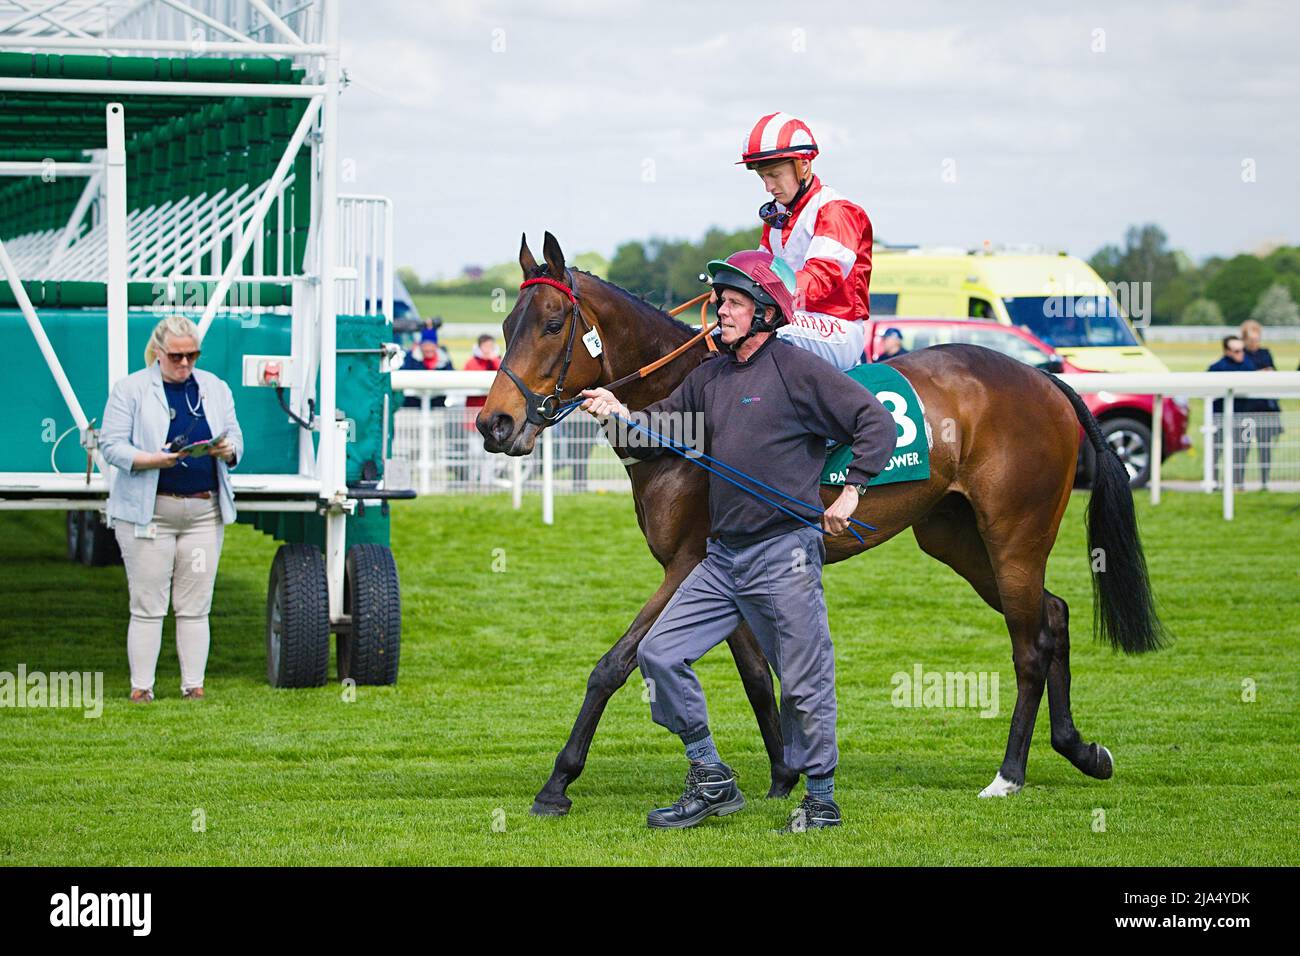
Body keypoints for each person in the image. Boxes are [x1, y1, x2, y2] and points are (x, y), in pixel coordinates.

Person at [579, 249, 896, 832]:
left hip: (785, 556)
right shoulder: (710, 376)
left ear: (767, 314)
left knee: (802, 680)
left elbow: (875, 421)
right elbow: (661, 433)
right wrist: (617, 411)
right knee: (659, 654)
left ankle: (820, 797)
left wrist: (851, 493)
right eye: (720, 300)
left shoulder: (798, 371)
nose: (719, 311)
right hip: (722, 559)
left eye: (732, 302)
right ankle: (711, 776)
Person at [98, 315, 244, 702]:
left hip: (202, 514)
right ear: (158, 352)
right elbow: (111, 445)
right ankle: (141, 688)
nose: (185, 364)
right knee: (148, 604)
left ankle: (193, 686)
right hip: (150, 515)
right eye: (177, 356)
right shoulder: (130, 388)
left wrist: (228, 450)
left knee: (195, 604)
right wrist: (150, 459)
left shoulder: (214, 387)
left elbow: (236, 438)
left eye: (192, 355)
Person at [739, 112, 874, 371]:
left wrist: (759, 294)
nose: (768, 186)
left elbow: (820, 278)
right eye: (762, 177)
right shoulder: (777, 216)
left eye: (775, 175)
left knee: (762, 327)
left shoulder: (836, 211)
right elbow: (758, 270)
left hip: (838, 330)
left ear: (803, 165)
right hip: (794, 320)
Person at [1207, 335, 1257, 490]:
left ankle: (1238, 483)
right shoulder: (1217, 368)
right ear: (1227, 351)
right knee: (1215, 452)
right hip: (1220, 417)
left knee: (1241, 452)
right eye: (1236, 351)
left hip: (1242, 417)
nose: (1240, 354)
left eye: (1242, 350)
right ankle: (1214, 483)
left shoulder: (1249, 365)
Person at [1240, 319, 1284, 489]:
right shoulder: (1241, 354)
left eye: (1257, 339)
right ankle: (1240, 482)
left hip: (1266, 409)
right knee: (1243, 447)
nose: (1255, 343)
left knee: (1265, 447)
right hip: (1248, 410)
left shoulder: (1265, 353)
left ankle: (1265, 482)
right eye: (1251, 340)